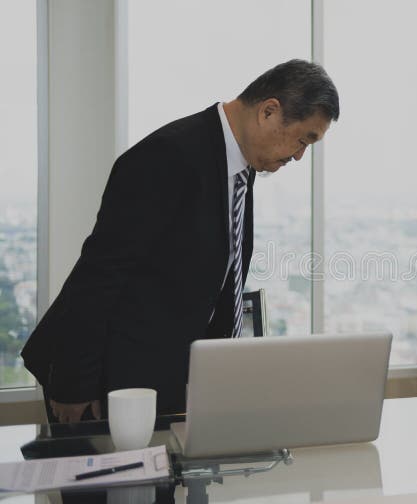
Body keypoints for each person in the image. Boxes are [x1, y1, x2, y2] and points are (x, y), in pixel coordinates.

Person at [21, 59, 339, 422]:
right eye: (303, 139)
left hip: (166, 375)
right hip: (111, 378)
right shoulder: (168, 157)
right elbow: (98, 278)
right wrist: (73, 386)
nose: (299, 156)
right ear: (269, 111)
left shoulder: (238, 166)